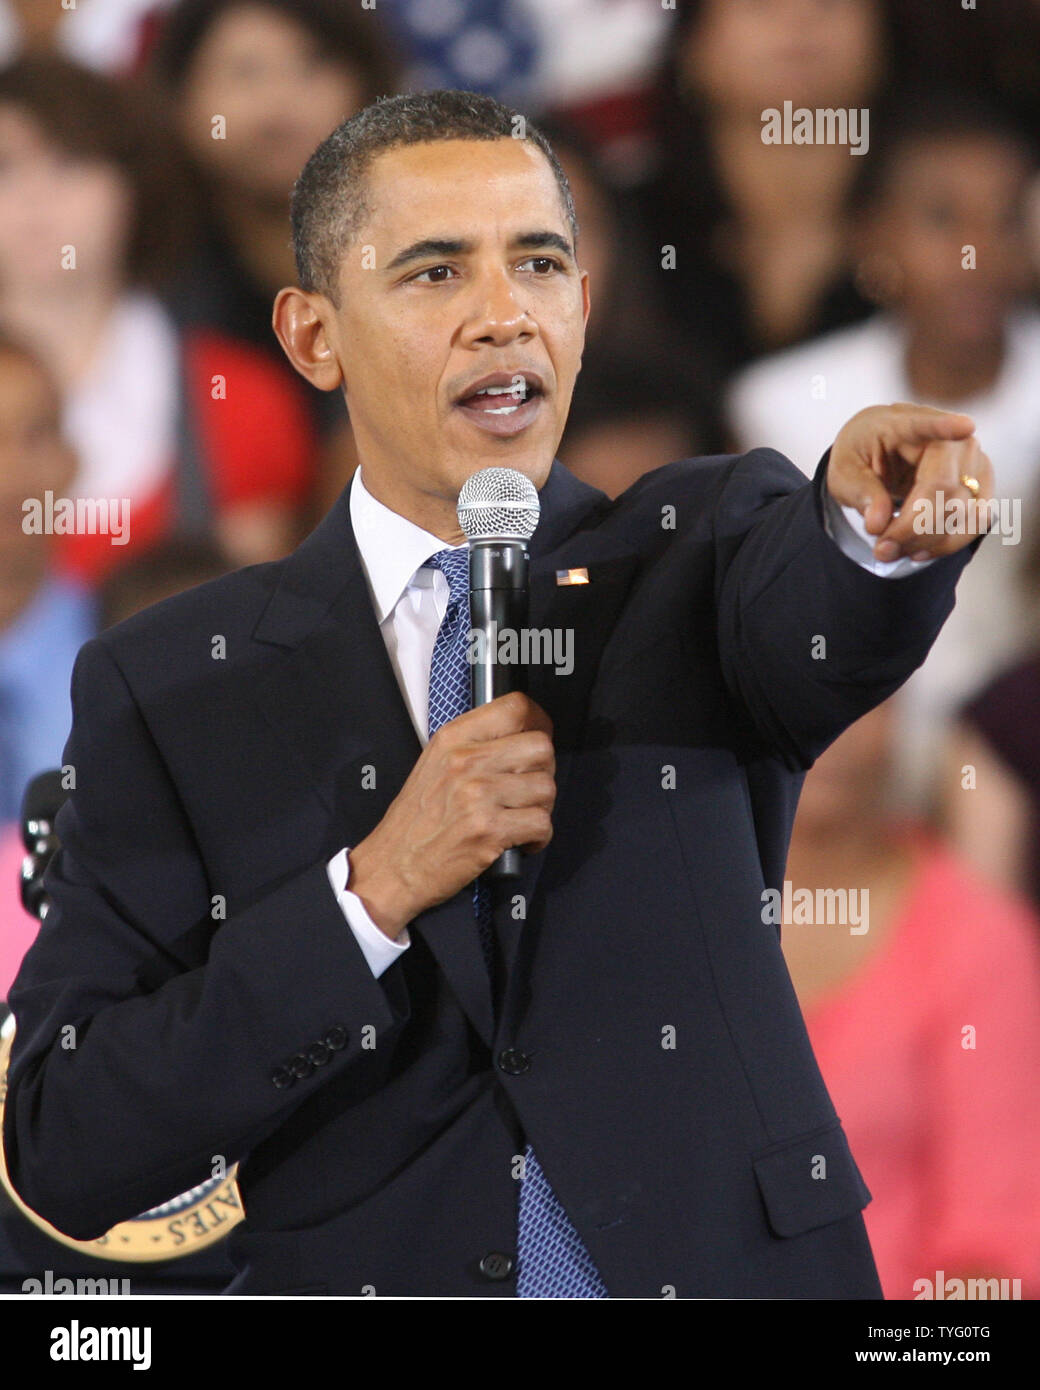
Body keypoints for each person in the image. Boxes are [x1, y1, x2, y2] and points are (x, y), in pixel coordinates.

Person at [2, 89, 991, 1299]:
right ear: (314, 338)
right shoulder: (170, 681)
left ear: (581, 306)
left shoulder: (701, 547)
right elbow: (67, 1141)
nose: (501, 315)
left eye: (538, 263)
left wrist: (864, 530)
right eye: (433, 273)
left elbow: (820, 615)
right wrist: (368, 896)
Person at [727, 95, 1040, 812]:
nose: (978, 251)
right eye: (941, 218)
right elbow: (758, 623)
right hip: (838, 783)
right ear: (872, 236)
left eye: (1007, 220)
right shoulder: (779, 403)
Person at [781, 698, 1040, 1300]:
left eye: (867, 703)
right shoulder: (669, 926)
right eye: (797, 692)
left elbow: (997, 1253)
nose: (834, 732)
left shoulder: (978, 940)